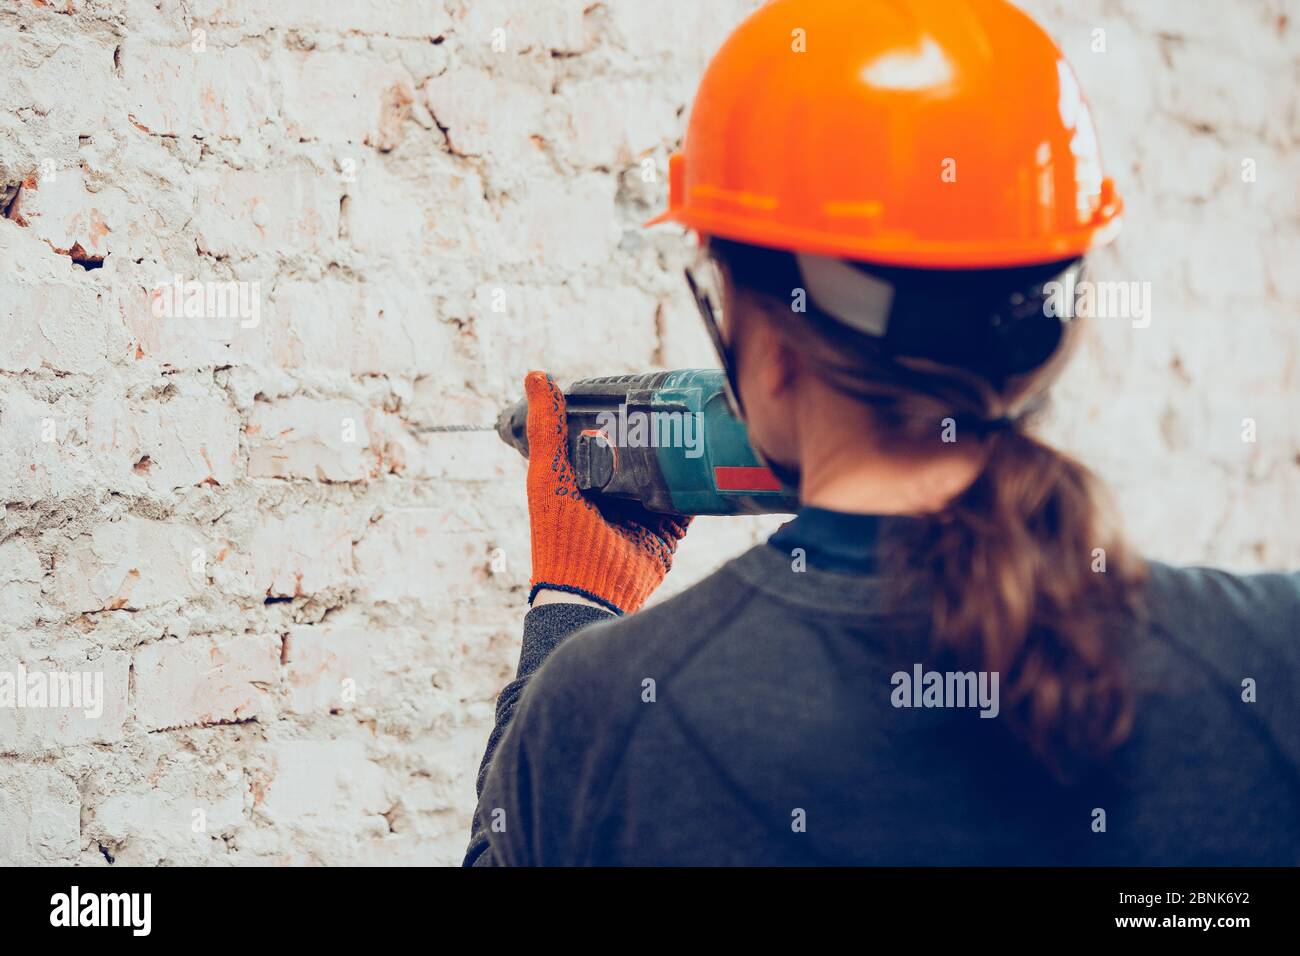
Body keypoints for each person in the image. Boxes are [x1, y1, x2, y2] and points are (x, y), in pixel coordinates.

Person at [463, 0, 1300, 866]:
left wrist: (571, 614)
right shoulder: (1272, 655)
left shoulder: (601, 721)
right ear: (1052, 329)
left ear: (772, 341)